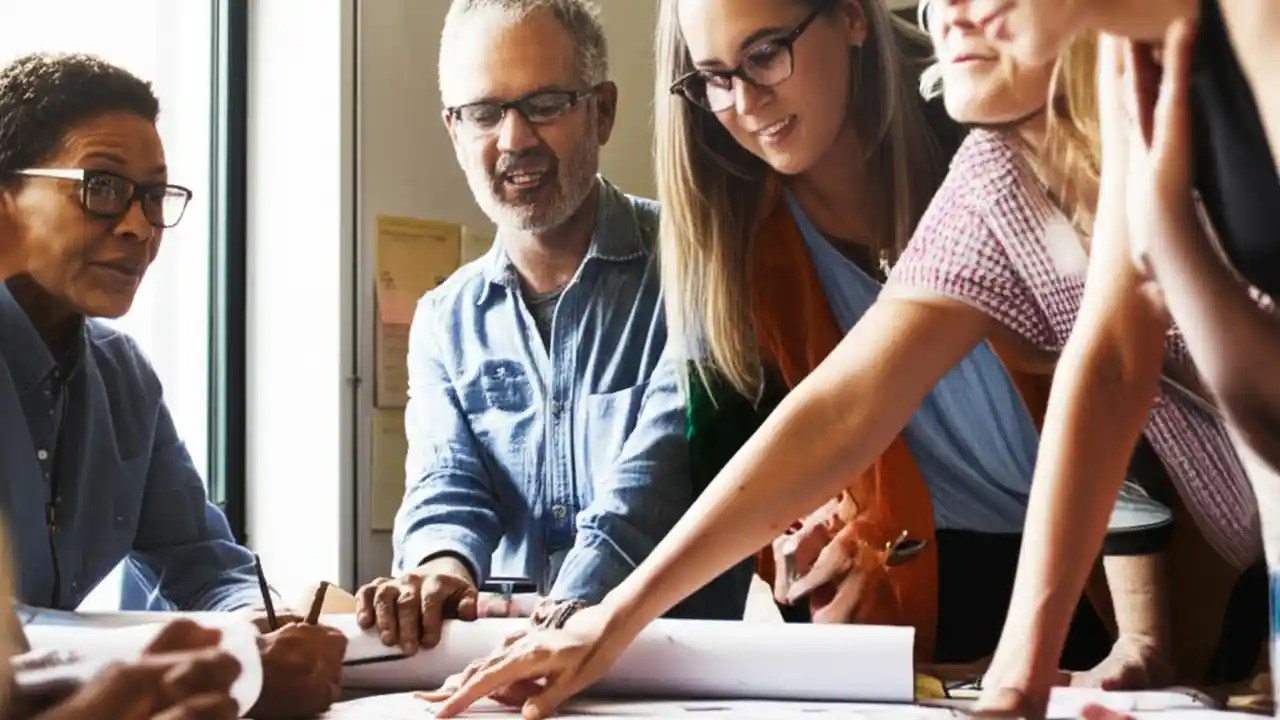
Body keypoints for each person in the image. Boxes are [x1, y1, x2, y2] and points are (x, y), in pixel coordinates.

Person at [422, 2, 1268, 717]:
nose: (945, 13)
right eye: (714, 76)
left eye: (766, 54)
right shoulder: (1010, 162)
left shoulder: (1215, 55)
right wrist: (608, 620)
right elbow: (847, 407)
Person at [354, 0, 746, 660]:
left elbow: (649, 494)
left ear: (603, 111)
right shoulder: (444, 320)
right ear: (454, 131)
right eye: (484, 112)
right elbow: (448, 489)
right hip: (508, 672)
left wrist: (557, 625)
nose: (514, 139)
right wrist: (439, 571)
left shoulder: (701, 265)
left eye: (544, 104)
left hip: (671, 675)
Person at [0, 52, 346, 719]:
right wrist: (230, 663)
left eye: (153, 196)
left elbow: (202, 562)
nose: (139, 226)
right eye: (101, 186)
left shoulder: (123, 378)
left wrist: (257, 623)